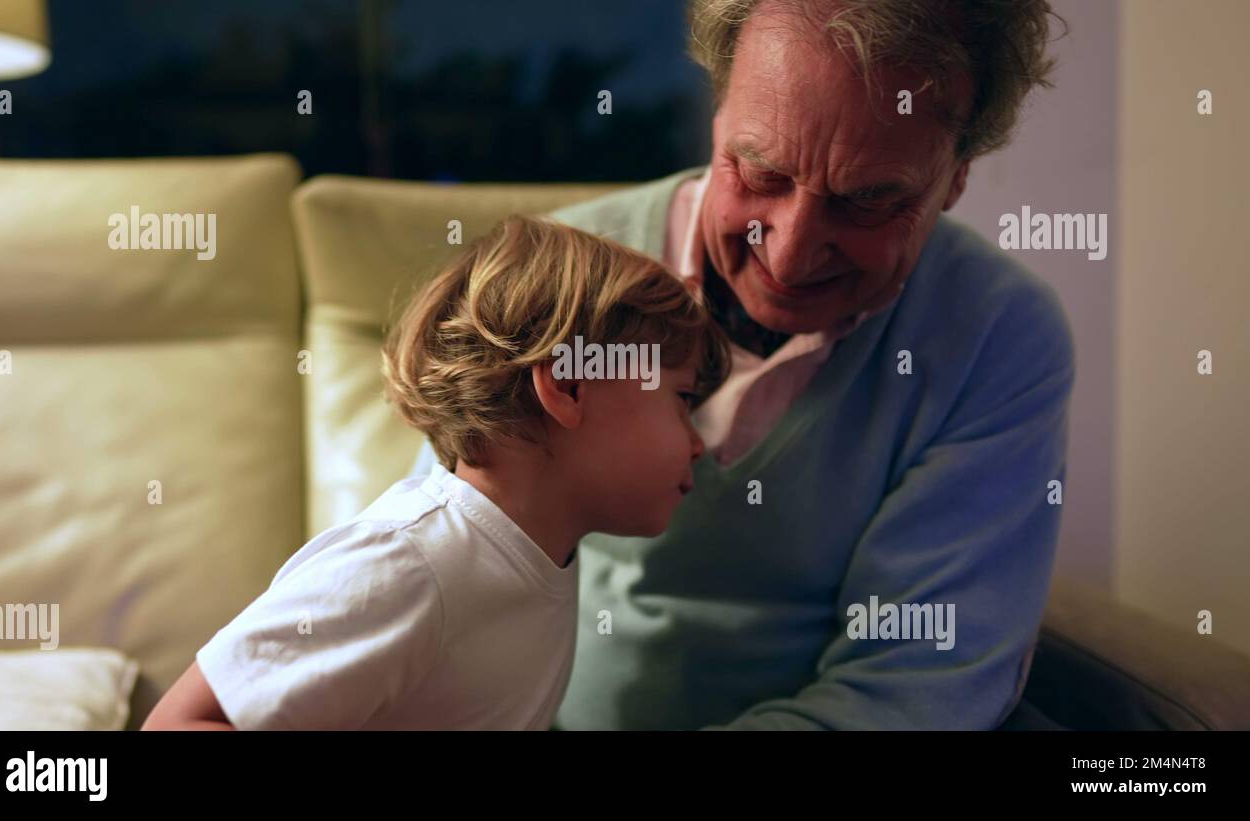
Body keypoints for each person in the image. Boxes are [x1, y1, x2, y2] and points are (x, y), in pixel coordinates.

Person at [412, 0, 1074, 730]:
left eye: (869, 202)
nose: (789, 255)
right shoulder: (550, 288)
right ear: (717, 112)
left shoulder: (997, 337)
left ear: (954, 180)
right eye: (760, 173)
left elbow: (917, 682)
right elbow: (435, 577)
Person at [142, 215, 729, 730]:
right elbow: (182, 722)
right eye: (681, 399)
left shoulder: (537, 554)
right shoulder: (412, 564)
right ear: (569, 385)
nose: (698, 444)